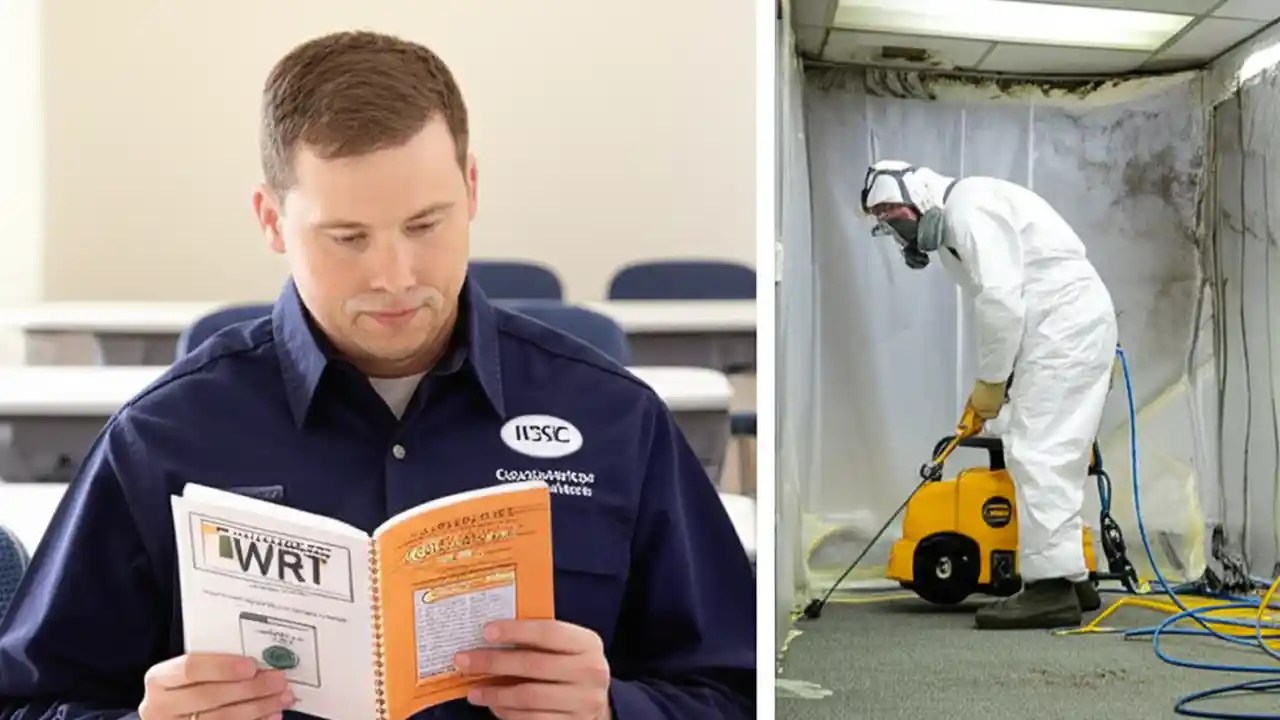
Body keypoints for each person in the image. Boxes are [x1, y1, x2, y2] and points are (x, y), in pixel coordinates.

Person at [0, 31, 755, 719]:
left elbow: (737, 691)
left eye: (426, 225)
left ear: (473, 191)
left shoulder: (613, 420)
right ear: (270, 220)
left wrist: (618, 710)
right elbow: (28, 703)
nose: (394, 276)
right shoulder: (162, 437)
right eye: (347, 237)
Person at [861, 160, 1116, 630]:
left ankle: (1050, 589)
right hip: (1061, 328)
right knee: (1054, 452)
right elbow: (1011, 302)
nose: (899, 233)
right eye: (888, 226)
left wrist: (991, 384)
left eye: (896, 218)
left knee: (1038, 451)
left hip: (1064, 326)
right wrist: (999, 384)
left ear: (920, 194)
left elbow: (1001, 300)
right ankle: (1071, 577)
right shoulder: (960, 229)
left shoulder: (969, 208)